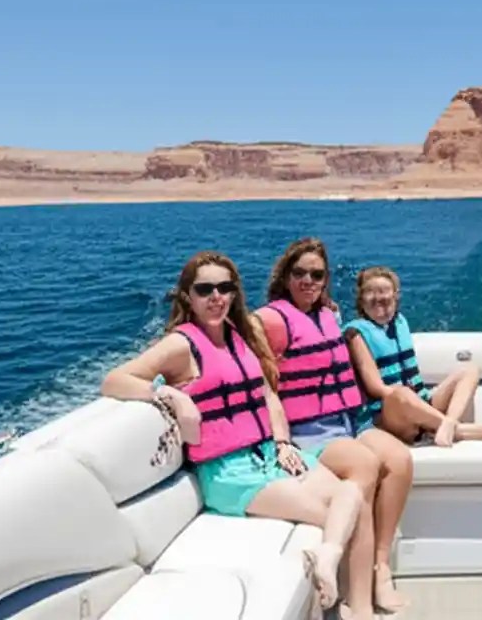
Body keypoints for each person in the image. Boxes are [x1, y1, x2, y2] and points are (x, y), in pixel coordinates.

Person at [100, 251, 366, 616]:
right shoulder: (181, 344)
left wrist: (282, 442)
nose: (216, 297)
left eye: (224, 288)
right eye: (205, 289)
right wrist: (169, 394)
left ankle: (331, 562)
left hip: (267, 455)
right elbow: (114, 380)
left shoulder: (238, 337)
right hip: (228, 473)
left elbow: (267, 395)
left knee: (352, 494)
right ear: (188, 296)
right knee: (328, 514)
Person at [255, 238, 413, 614]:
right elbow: (250, 368)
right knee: (365, 466)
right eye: (299, 273)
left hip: (348, 422)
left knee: (400, 460)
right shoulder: (271, 319)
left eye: (317, 275)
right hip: (310, 431)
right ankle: (358, 602)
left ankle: (380, 568)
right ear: (285, 276)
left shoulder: (327, 314)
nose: (308, 281)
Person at [343, 266, 482, 447]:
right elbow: (376, 388)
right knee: (399, 393)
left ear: (395, 296)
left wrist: (419, 406)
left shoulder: (400, 322)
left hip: (421, 403)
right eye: (371, 293)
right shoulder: (356, 333)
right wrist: (409, 401)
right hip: (389, 415)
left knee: (470, 370)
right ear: (361, 299)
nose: (379, 298)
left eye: (384, 292)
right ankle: (460, 431)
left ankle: (448, 425)